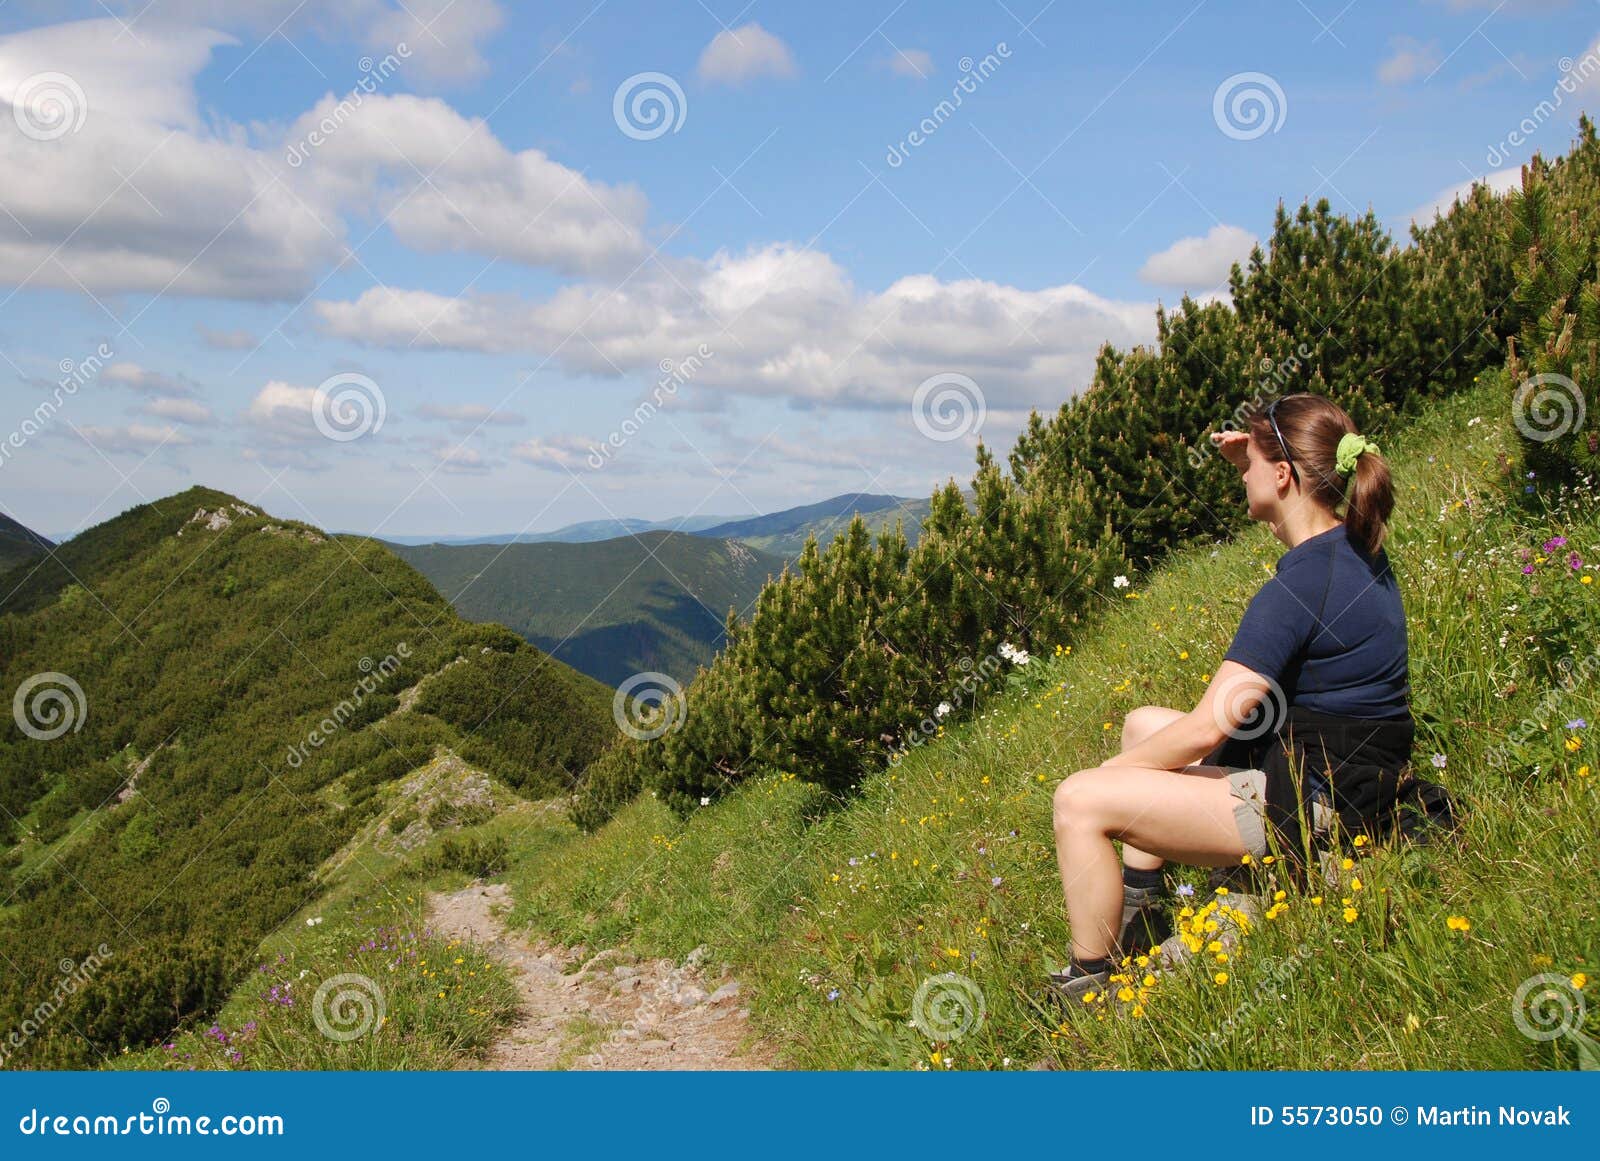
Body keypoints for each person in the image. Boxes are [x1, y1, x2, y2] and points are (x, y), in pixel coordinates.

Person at [1047, 392, 1416, 999]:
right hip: (1345, 771)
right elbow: (1287, 511)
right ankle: (1141, 902)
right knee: (1142, 724)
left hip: (1310, 808)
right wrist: (1252, 459)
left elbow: (1205, 730)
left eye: (1250, 467)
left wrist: (1103, 775)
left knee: (1080, 800)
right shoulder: (1352, 547)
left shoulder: (1296, 586)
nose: (1240, 474)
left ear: (1282, 474)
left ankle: (1090, 985)